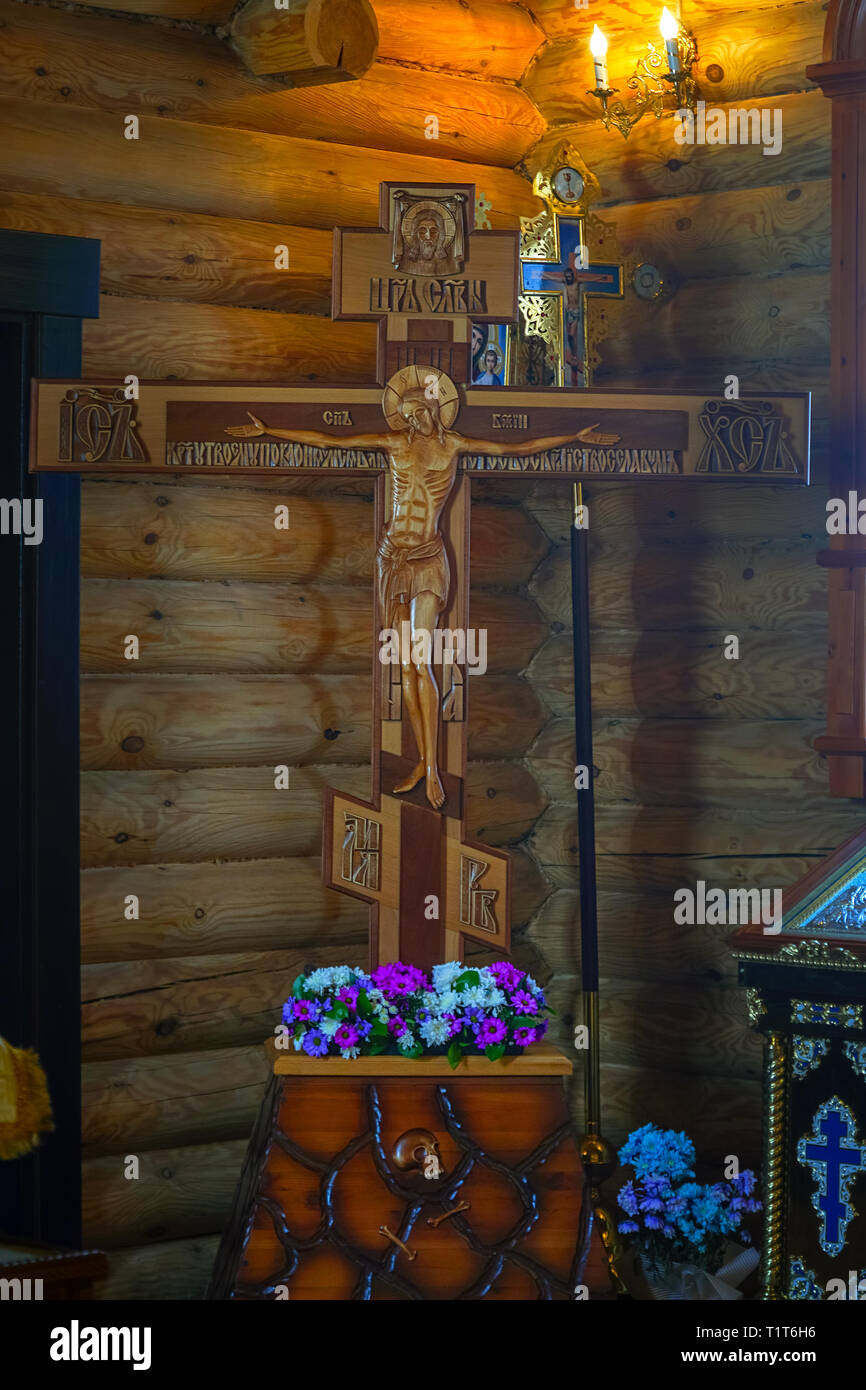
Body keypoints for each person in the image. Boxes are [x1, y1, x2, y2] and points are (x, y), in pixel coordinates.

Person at [226, 373, 617, 809]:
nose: (415, 421)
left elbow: (515, 448)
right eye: (409, 415)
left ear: (434, 410)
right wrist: (268, 431)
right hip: (392, 560)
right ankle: (420, 760)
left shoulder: (454, 445)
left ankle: (431, 769)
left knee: (422, 658)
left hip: (429, 559)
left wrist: (574, 437)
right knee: (406, 667)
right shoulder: (394, 444)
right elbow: (329, 440)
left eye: (421, 412)